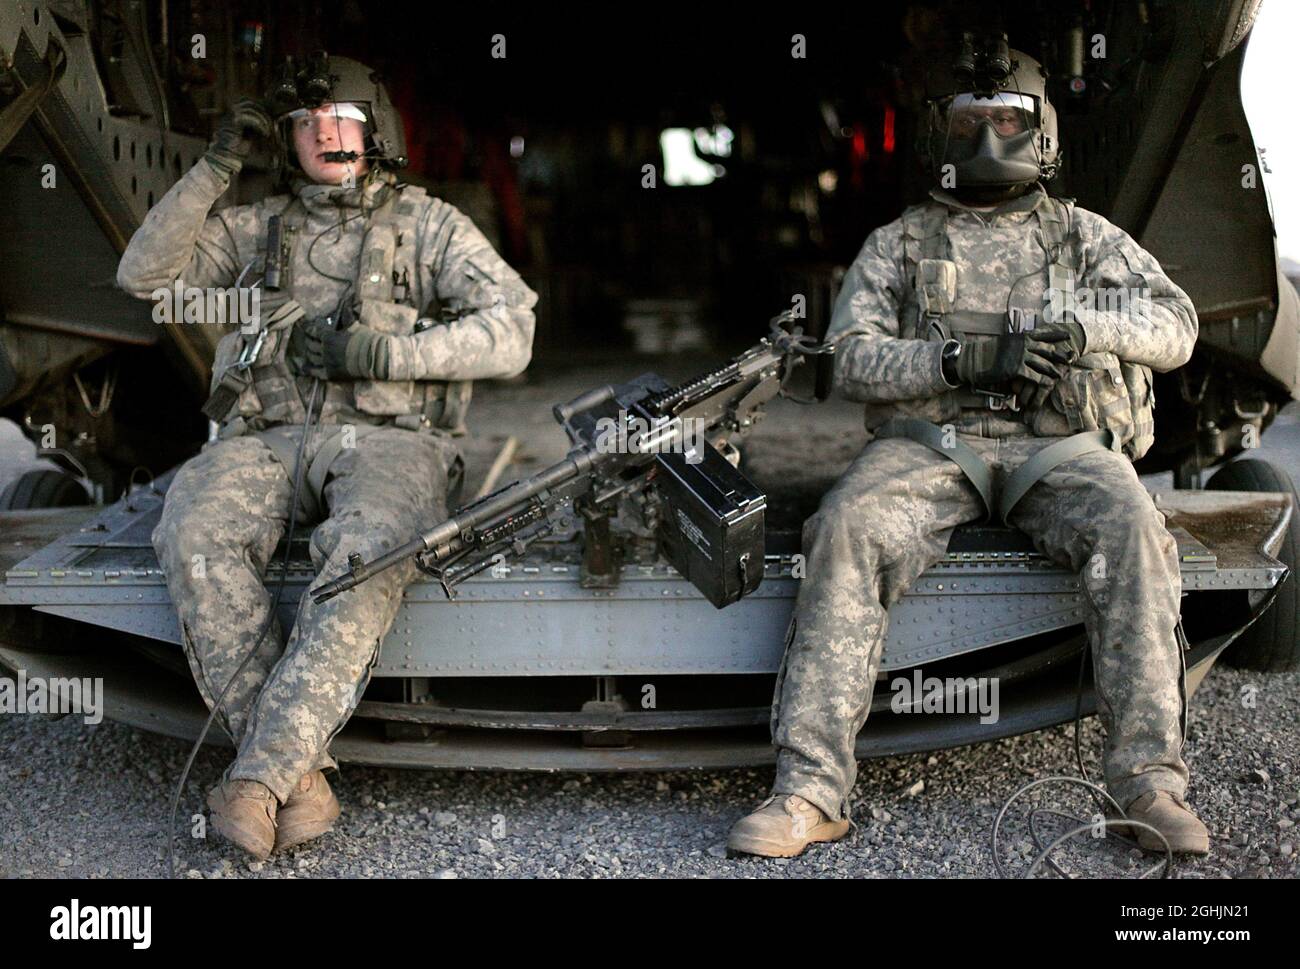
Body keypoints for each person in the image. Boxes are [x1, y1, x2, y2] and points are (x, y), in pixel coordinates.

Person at [727, 41, 1205, 859]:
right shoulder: (903, 243)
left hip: (1062, 446)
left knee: (1133, 530)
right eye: (969, 121)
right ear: (938, 136)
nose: (989, 137)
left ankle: (1148, 785)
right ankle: (807, 791)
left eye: (1009, 119)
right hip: (932, 446)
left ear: (1044, 133)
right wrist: (953, 360)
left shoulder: (1086, 238)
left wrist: (1093, 326)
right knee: (844, 526)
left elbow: (1178, 326)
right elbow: (849, 359)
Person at [116, 54, 536, 859]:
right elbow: (144, 274)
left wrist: (386, 356)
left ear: (375, 130)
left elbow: (514, 327)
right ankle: (296, 777)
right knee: (193, 527)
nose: (326, 135)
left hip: (392, 441)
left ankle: (256, 780)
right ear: (286, 141)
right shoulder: (251, 224)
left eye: (343, 117)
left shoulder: (430, 223)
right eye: (307, 124)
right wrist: (213, 169)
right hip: (265, 435)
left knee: (366, 551)